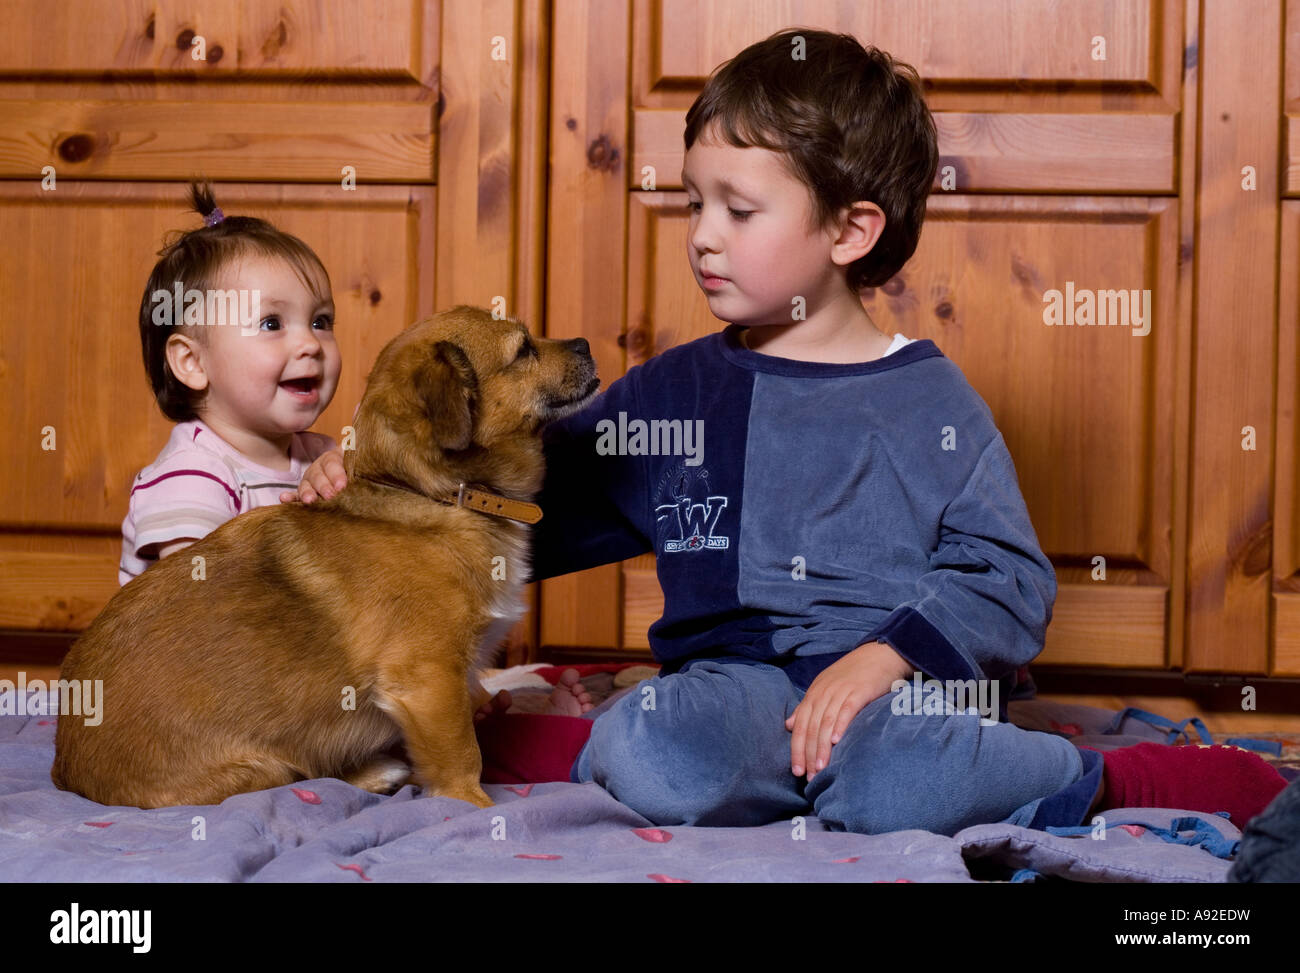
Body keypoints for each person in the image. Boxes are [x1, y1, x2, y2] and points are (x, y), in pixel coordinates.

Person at [292, 29, 1286, 833]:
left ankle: (1111, 778)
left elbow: (1007, 578)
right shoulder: (676, 392)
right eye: (693, 202)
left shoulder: (930, 403)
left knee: (895, 782)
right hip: (734, 690)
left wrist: (884, 658)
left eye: (738, 207)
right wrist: (376, 485)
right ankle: (584, 751)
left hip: (899, 694)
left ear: (848, 233)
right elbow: (523, 505)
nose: (701, 233)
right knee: (658, 751)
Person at [119, 181, 341, 586]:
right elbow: (203, 605)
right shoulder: (191, 475)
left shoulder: (322, 458)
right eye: (272, 323)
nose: (311, 343)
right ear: (192, 362)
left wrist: (355, 481)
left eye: (321, 321)